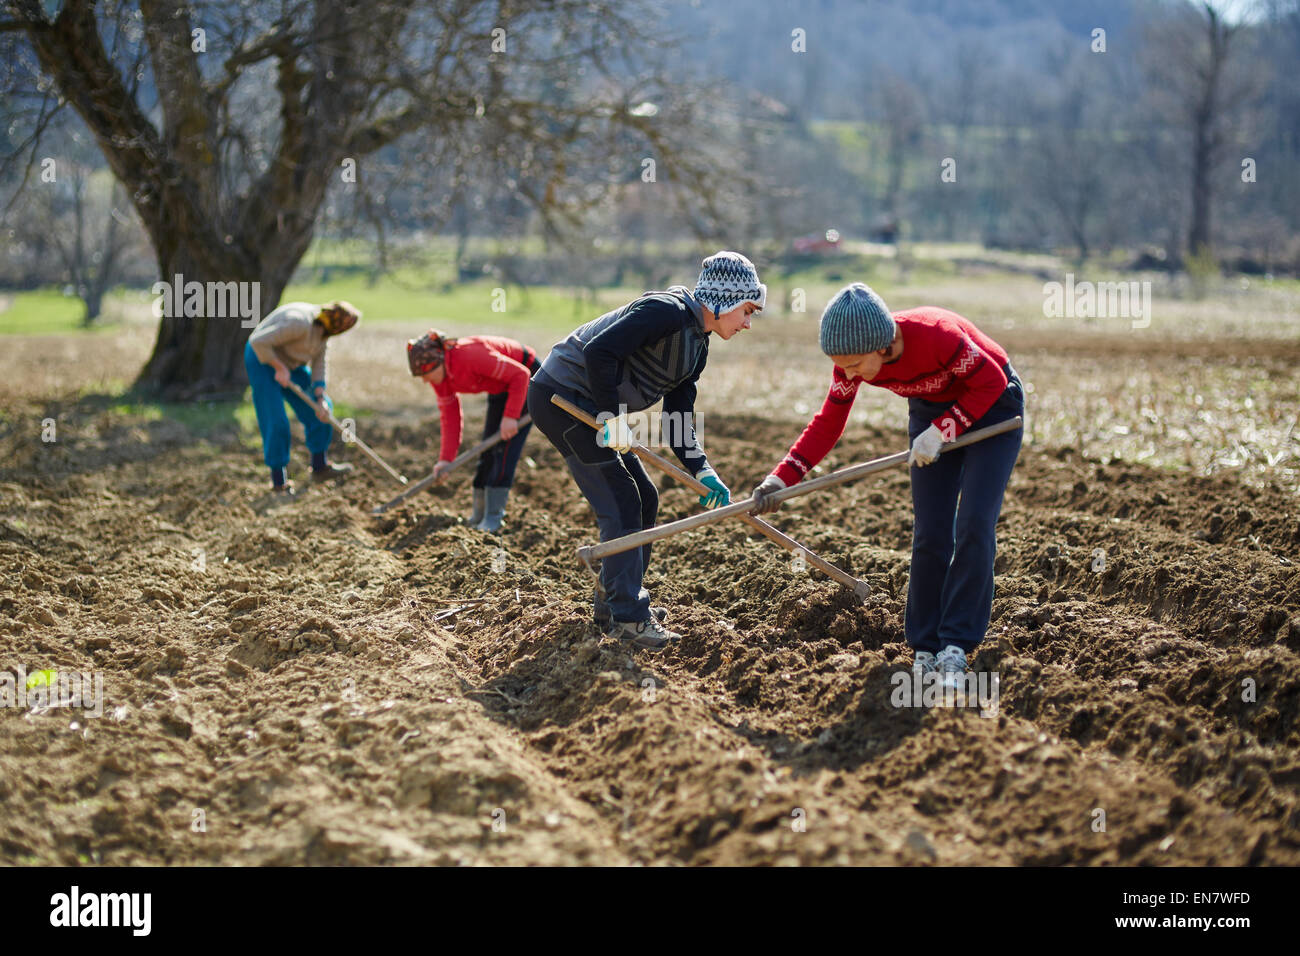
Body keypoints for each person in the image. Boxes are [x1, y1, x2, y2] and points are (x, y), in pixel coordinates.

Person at [750, 283, 1025, 687]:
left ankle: (956, 647)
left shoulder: (936, 336)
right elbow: (828, 423)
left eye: (856, 365)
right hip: (930, 414)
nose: (848, 374)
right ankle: (926, 646)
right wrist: (779, 478)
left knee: (973, 526)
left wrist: (944, 431)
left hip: (994, 411)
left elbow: (991, 383)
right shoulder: (851, 361)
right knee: (930, 533)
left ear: (882, 346)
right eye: (841, 365)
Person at [527, 251, 766, 651]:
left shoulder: (697, 348)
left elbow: (677, 418)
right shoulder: (665, 312)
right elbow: (598, 352)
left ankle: (617, 602)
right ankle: (628, 617)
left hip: (594, 409)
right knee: (621, 500)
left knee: (646, 498)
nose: (747, 323)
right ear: (723, 300)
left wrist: (702, 470)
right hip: (561, 398)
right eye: (747, 310)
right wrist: (609, 416)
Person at [407, 330, 541, 532]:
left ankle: (494, 517)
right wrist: (446, 459)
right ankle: (479, 514)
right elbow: (450, 418)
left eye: (425, 374)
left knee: (504, 450)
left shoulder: (469, 356)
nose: (425, 381)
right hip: (500, 387)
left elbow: (521, 375)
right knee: (487, 450)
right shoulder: (441, 380)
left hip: (527, 378)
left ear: (437, 362)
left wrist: (511, 416)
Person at [244, 300, 361, 494]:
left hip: (290, 363)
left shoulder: (323, 335)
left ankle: (319, 467)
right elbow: (258, 341)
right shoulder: (299, 323)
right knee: (277, 420)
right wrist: (278, 367)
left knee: (322, 410)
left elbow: (319, 366)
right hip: (261, 359)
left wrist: (320, 395)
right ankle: (278, 481)